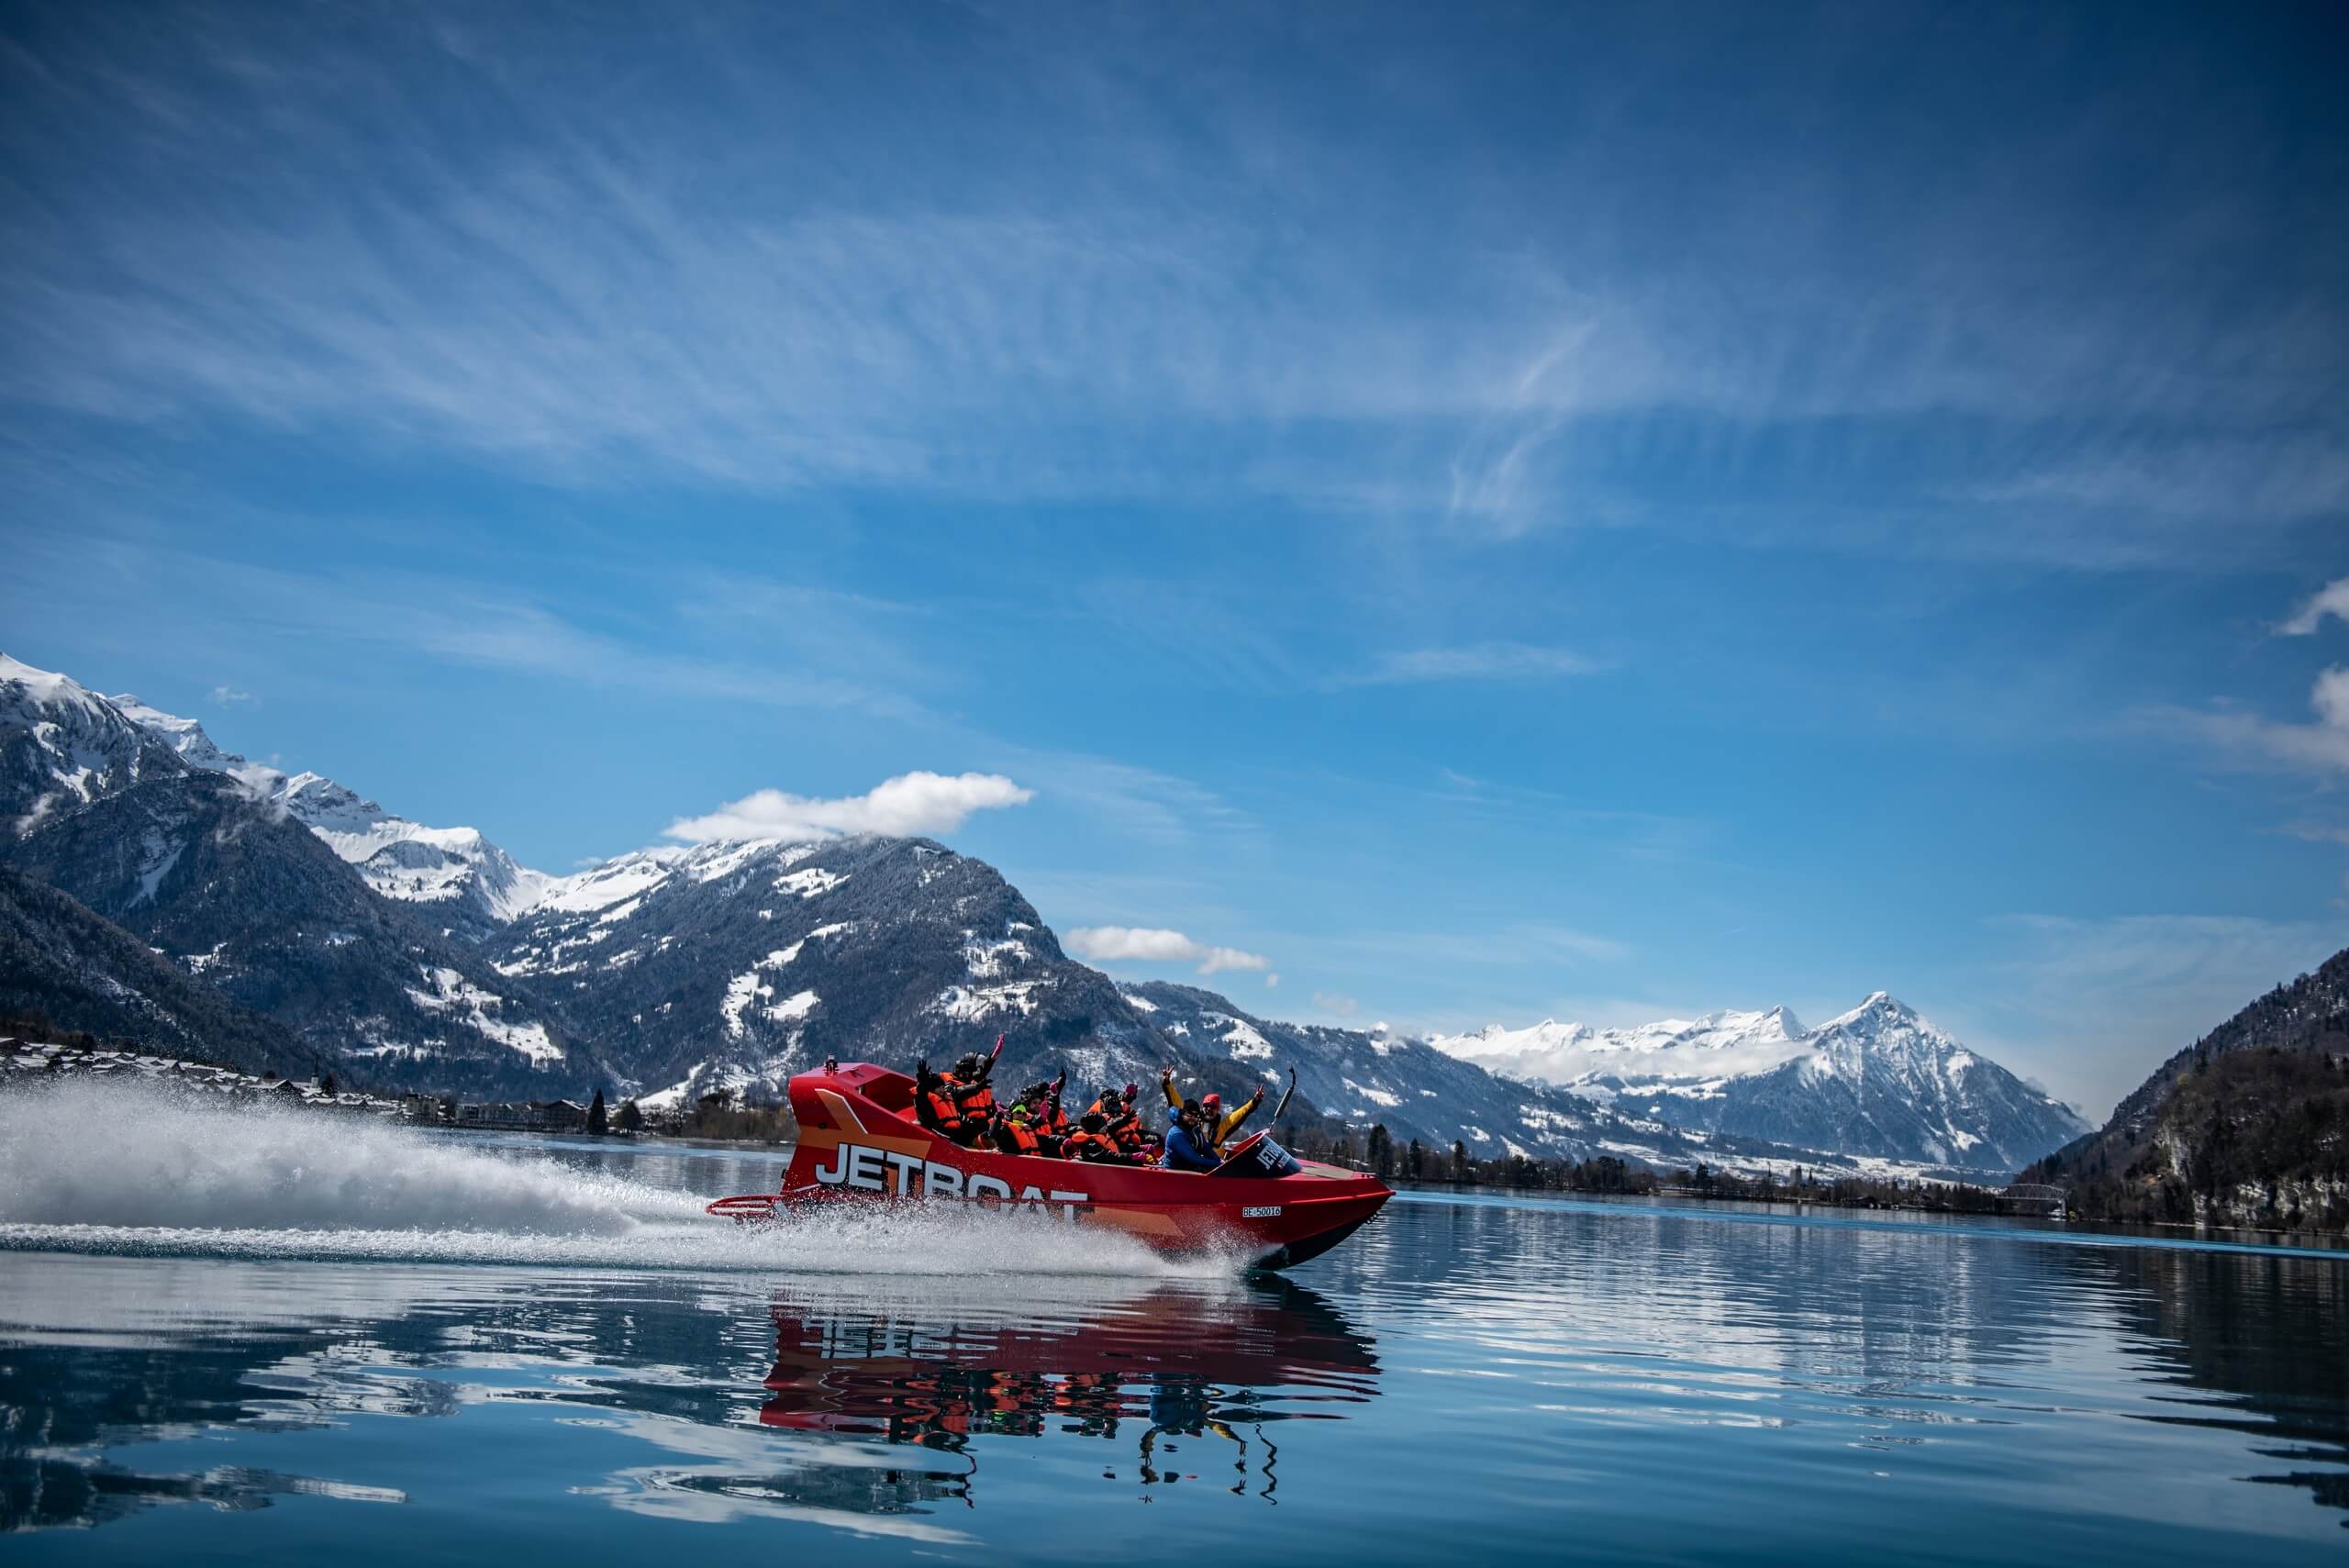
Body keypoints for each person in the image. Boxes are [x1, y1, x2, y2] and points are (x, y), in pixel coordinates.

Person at [1159, 1067, 1264, 1155]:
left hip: (1215, 1169)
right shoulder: (1192, 1119)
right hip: (1195, 1166)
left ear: (1217, 1110)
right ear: (1202, 1107)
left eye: (1213, 1107)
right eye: (1206, 1106)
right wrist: (1168, 1083)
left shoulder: (1221, 1128)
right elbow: (1177, 1103)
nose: (1209, 1109)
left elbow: (1239, 1115)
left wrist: (1254, 1101)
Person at [1159, 1100, 1219, 1173]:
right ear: (1182, 1114)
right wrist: (1216, 1164)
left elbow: (1206, 1149)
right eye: (1190, 1114)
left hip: (1187, 1170)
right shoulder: (1176, 1133)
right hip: (1173, 1172)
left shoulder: (1195, 1130)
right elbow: (1193, 1158)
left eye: (1196, 1115)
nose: (1193, 1118)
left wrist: (1219, 1161)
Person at [1064, 1110, 1141, 1164]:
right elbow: (1109, 1157)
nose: (1105, 1128)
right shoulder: (1090, 1145)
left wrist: (1140, 1148)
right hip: (1102, 1173)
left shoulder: (1100, 1135)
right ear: (1094, 1128)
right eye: (1102, 1126)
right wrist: (1131, 1157)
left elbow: (1117, 1145)